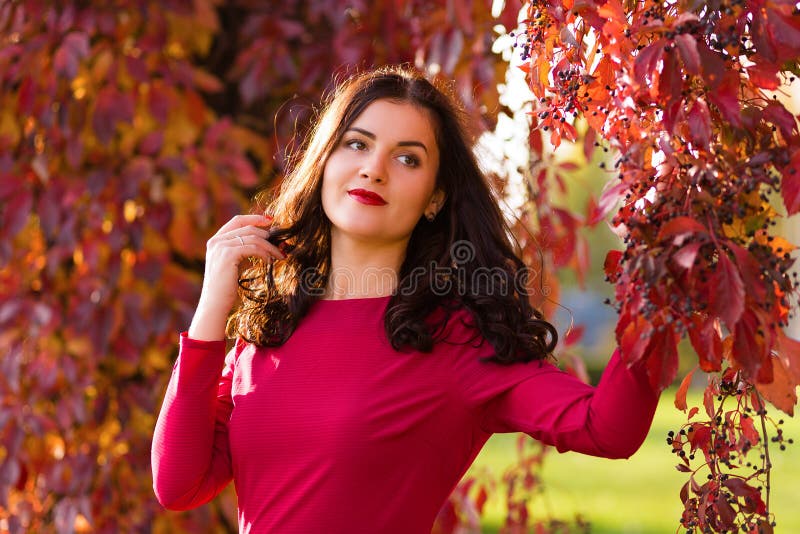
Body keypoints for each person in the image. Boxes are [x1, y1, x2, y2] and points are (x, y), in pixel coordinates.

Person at [151, 65, 659, 533]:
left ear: (435, 197)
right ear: (324, 161)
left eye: (407, 158)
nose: (374, 169)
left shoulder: (456, 339)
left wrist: (659, 300)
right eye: (356, 145)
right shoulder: (270, 327)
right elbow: (179, 485)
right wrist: (209, 312)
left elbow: (606, 428)